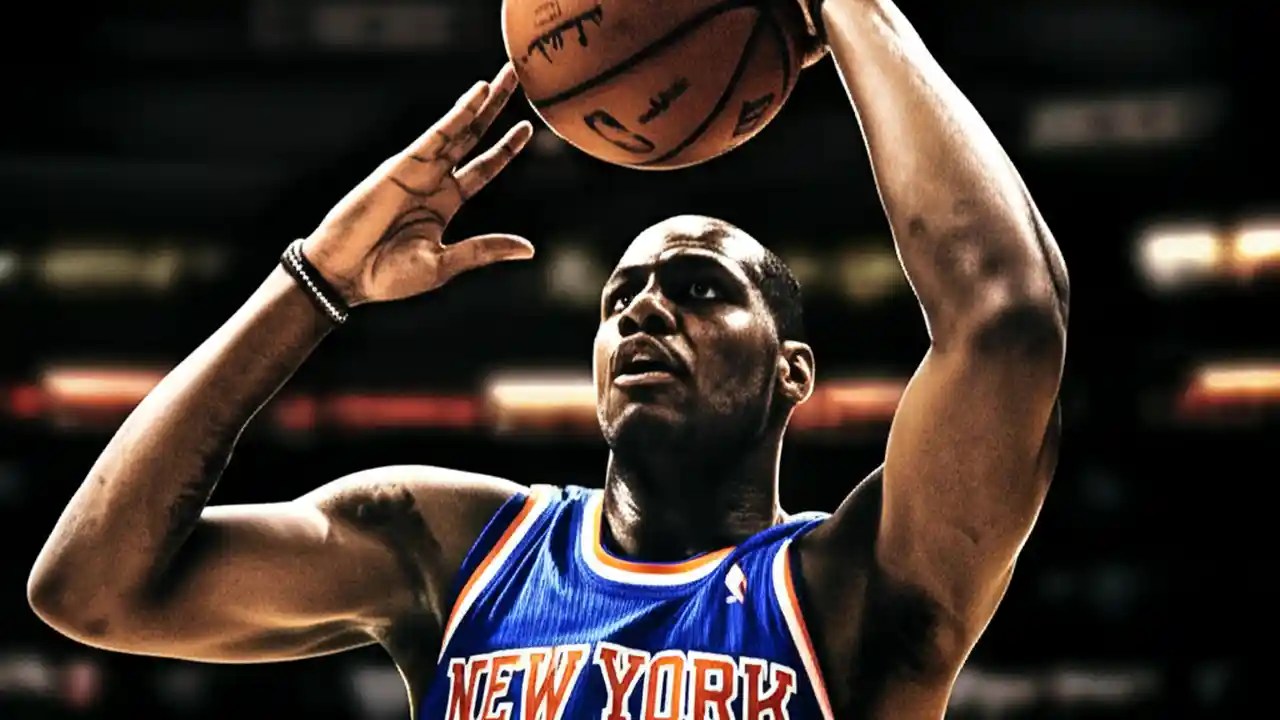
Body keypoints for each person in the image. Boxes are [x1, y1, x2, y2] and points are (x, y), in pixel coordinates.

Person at [27, 0, 1069, 717]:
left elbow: (1006, 319)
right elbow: (92, 590)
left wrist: (854, 11)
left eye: (701, 287)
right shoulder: (451, 548)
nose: (649, 310)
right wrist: (317, 283)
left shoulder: (853, 586)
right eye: (622, 298)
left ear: (792, 370)